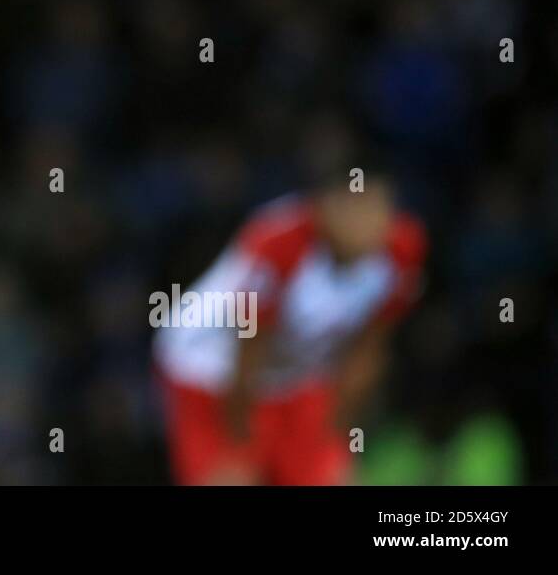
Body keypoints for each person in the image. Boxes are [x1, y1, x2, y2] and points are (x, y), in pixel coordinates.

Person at [153, 167, 427, 485]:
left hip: (299, 375)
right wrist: (242, 450)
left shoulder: (404, 247)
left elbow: (369, 352)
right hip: (211, 373)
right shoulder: (278, 245)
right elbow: (247, 357)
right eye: (354, 209)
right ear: (321, 209)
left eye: (378, 208)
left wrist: (332, 439)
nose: (368, 224)